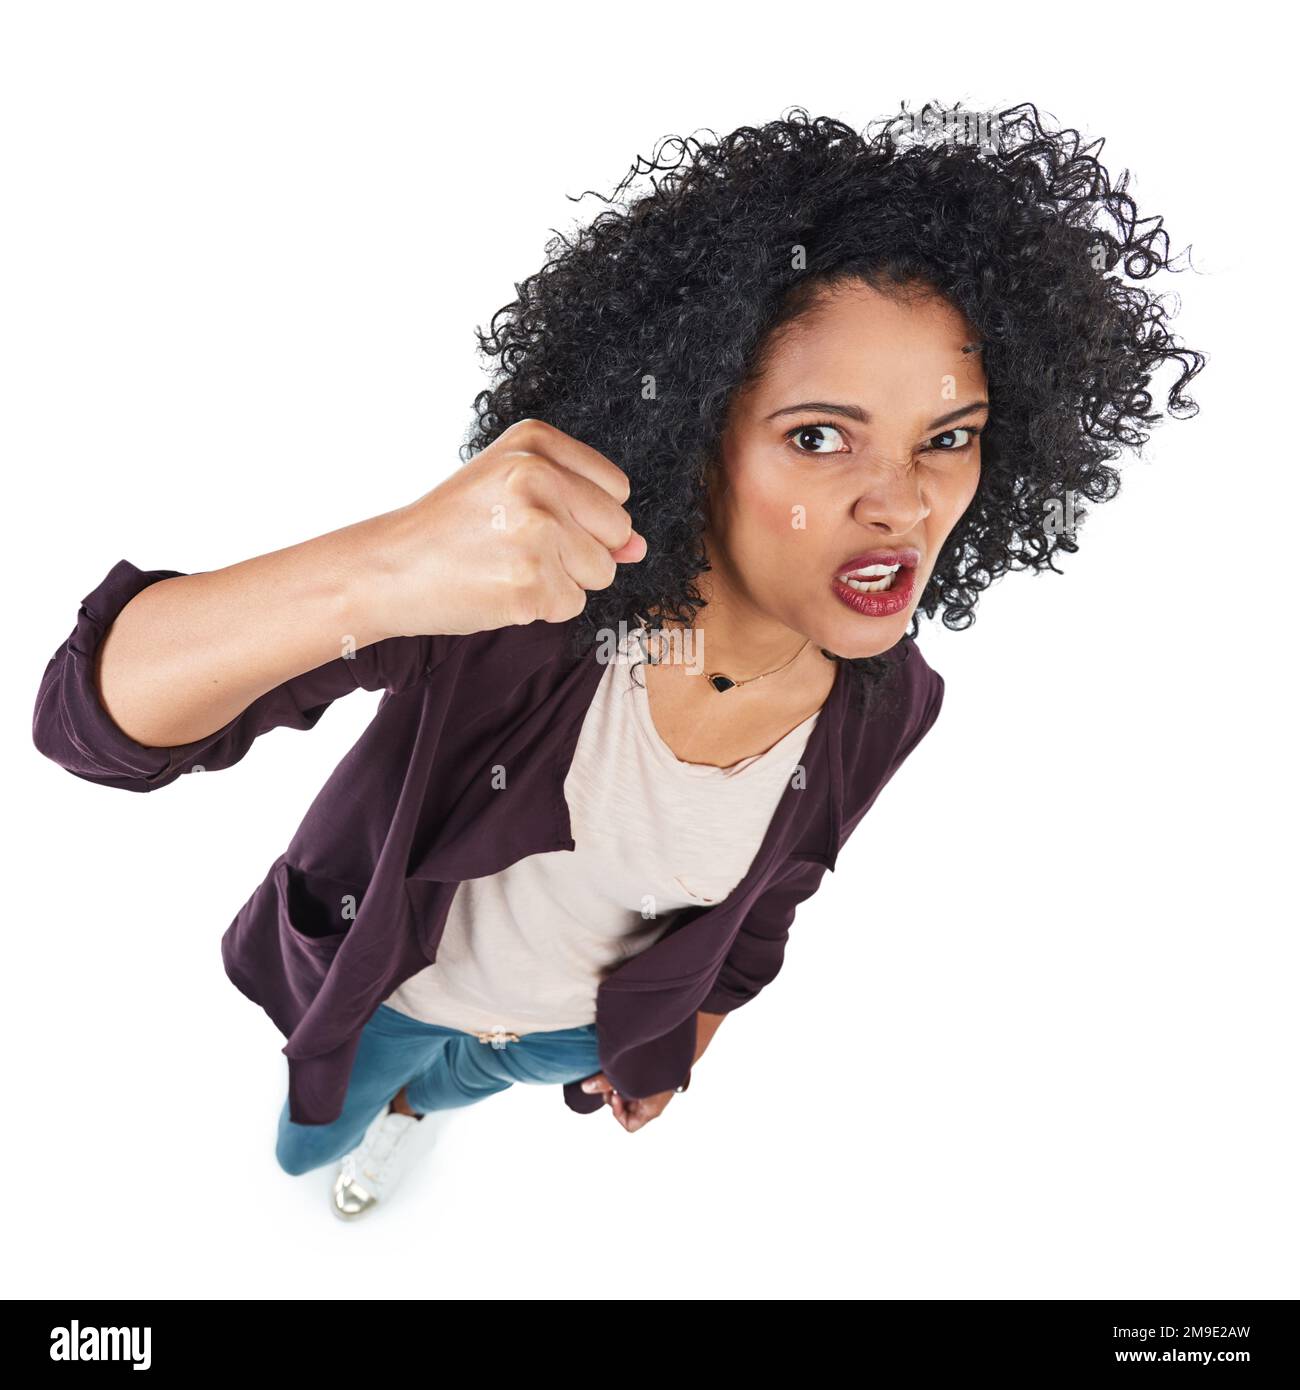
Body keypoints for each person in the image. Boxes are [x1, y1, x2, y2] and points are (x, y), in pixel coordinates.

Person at [31, 103, 1204, 1220]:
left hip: (570, 1033)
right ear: (696, 434)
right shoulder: (525, 612)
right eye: (815, 436)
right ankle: (356, 1133)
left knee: (448, 1092)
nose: (900, 504)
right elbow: (90, 724)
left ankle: (414, 1118)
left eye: (947, 438)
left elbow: (778, 888)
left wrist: (685, 1029)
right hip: (388, 988)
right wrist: (382, 567)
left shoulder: (892, 699)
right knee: (314, 1135)